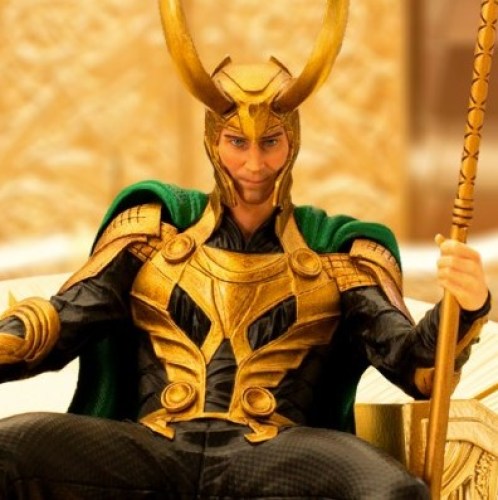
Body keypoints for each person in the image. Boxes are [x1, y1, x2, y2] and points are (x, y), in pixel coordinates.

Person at [0, 0, 491, 498]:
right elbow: (63, 320)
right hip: (152, 447)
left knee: (391, 490)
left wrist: (466, 303)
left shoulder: (339, 258)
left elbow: (415, 365)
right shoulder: (151, 234)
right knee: (9, 447)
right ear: (214, 141)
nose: (254, 164)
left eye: (269, 142)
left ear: (291, 142)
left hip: (275, 455)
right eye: (238, 142)